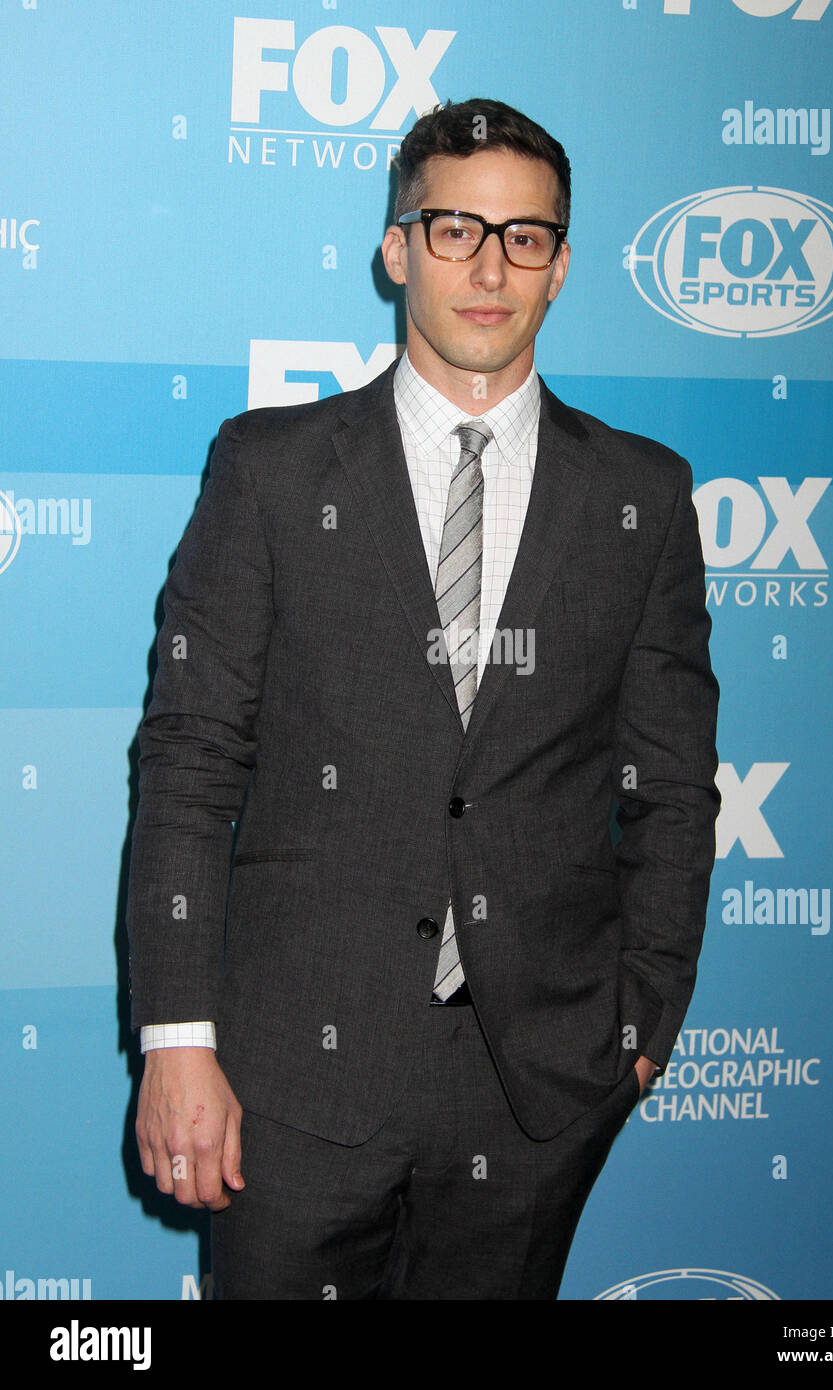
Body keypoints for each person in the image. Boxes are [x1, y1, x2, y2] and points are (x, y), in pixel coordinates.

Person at [128, 98, 719, 1300]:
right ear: (396, 250)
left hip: (533, 1084)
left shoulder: (640, 497)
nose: (489, 266)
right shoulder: (273, 470)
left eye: (525, 236)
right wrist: (178, 1039)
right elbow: (189, 762)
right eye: (454, 230)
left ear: (561, 266)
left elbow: (668, 788)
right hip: (290, 1071)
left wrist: (639, 1028)